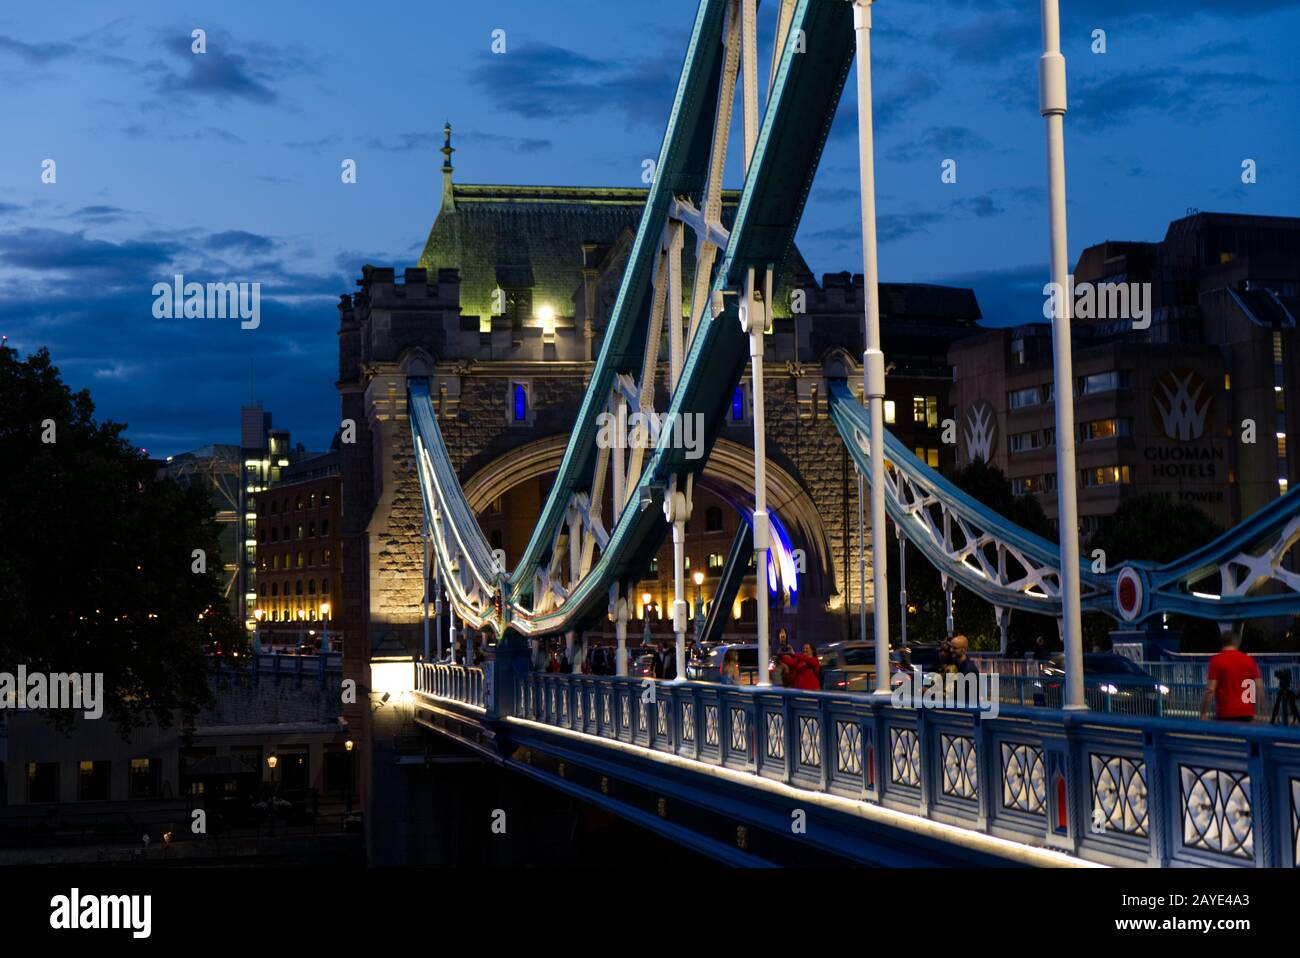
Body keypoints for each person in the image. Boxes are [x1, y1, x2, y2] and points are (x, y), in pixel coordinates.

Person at [1201, 631, 1260, 722]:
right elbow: (1259, 686)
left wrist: (1203, 713)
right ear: (1237, 643)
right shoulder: (1249, 660)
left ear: (1222, 643)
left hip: (1225, 712)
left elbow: (1210, 690)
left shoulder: (1216, 661)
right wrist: (1260, 712)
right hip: (1247, 712)